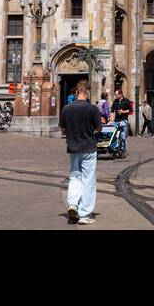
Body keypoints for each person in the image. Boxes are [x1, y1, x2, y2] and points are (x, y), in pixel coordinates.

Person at [60, 79, 102, 225]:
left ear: (77, 91)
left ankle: (72, 205)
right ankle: (85, 214)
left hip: (73, 148)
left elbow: (63, 128)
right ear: (87, 92)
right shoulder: (92, 109)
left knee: (75, 177)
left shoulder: (66, 109)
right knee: (88, 180)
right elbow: (98, 128)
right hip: (89, 148)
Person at [112, 87, 133, 152]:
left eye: (116, 94)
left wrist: (123, 112)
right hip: (116, 120)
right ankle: (115, 148)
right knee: (114, 135)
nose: (115, 96)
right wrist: (111, 119)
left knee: (123, 135)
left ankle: (123, 149)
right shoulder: (115, 101)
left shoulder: (126, 101)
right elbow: (112, 110)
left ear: (120, 94)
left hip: (123, 120)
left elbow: (130, 110)